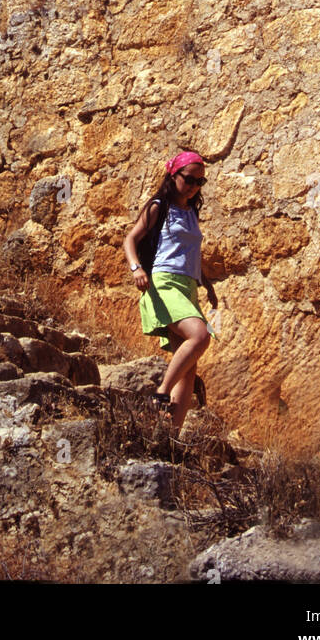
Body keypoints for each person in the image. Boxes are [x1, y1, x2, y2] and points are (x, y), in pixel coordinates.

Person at [122, 150, 217, 433]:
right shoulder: (157, 206)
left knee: (190, 369)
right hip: (163, 283)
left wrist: (207, 285)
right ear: (173, 175)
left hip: (188, 287)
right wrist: (136, 268)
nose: (193, 187)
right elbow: (130, 239)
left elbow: (188, 253)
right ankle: (161, 392)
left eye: (200, 182)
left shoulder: (191, 212)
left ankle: (170, 435)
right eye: (189, 179)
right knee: (200, 336)